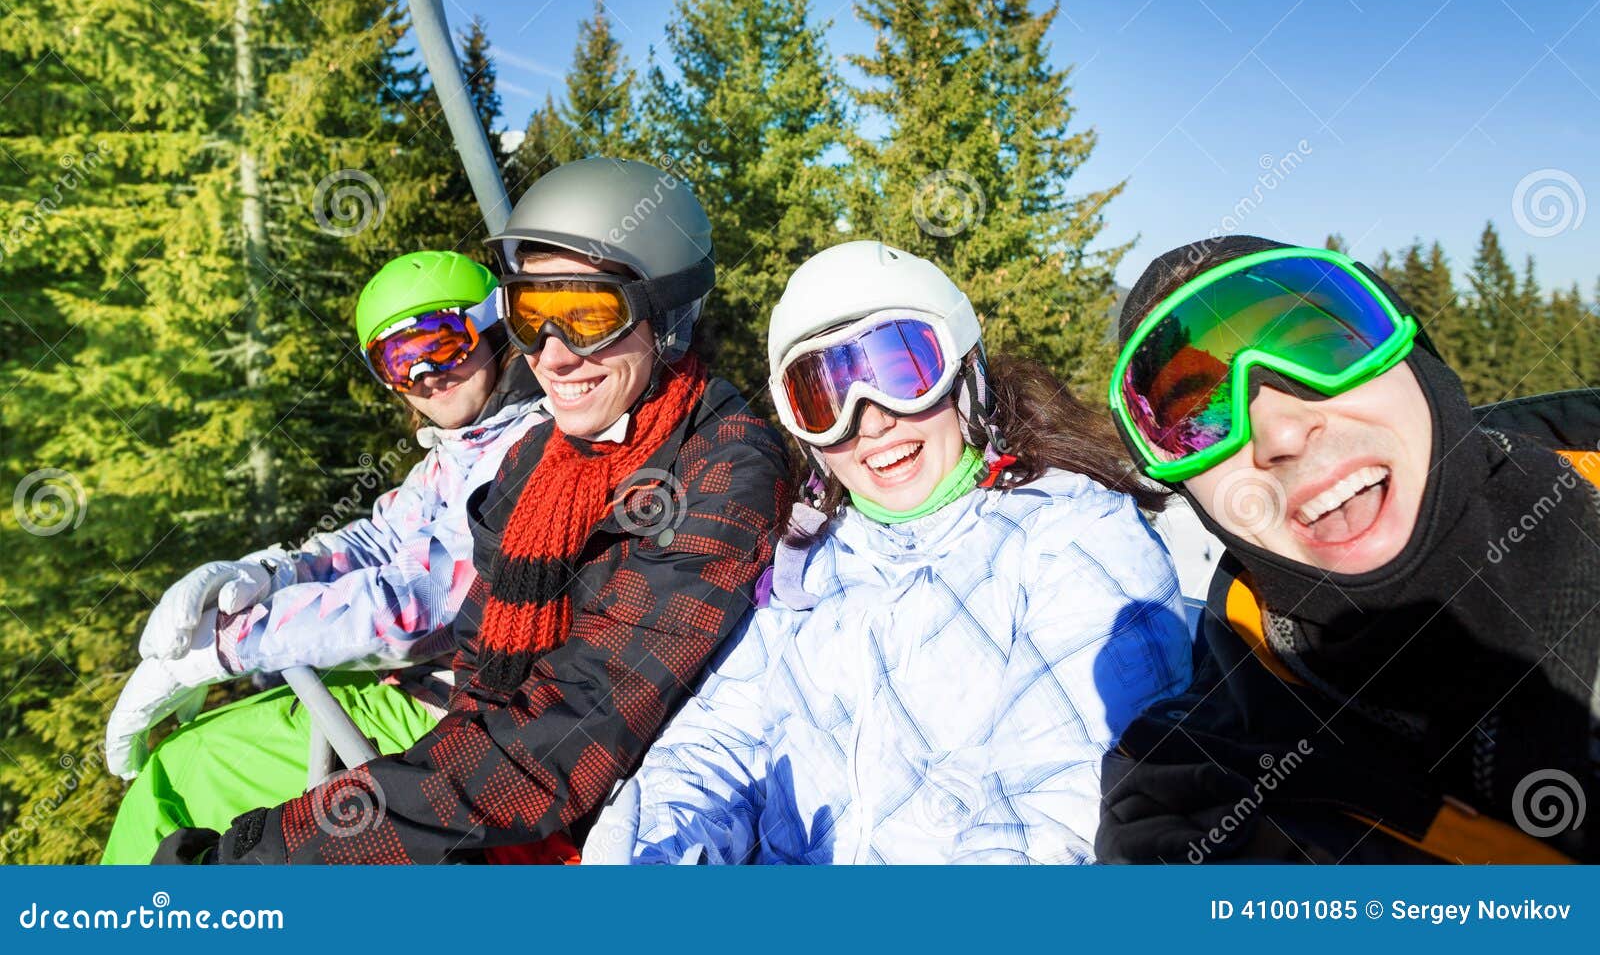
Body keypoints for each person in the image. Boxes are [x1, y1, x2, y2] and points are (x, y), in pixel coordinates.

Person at [155, 158, 789, 865]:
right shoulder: (535, 463)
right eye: (531, 316)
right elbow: (479, 686)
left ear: (666, 312)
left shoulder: (723, 469)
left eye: (588, 316)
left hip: (615, 832)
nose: (554, 356)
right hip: (494, 799)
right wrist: (275, 575)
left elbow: (564, 733)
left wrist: (278, 851)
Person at [586, 240, 1192, 864]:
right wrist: (669, 844)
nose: (870, 421)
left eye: (901, 373)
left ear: (966, 375)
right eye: (824, 397)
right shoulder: (813, 562)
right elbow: (718, 741)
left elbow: (1058, 814)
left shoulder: (1075, 538)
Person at [1097, 235, 1600, 864]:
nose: (1281, 431)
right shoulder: (1197, 799)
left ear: (1415, 358)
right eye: (1201, 413)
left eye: (1320, 345)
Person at [102, 250, 546, 863]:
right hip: (410, 691)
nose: (423, 373)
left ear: (495, 326)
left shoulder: (536, 448)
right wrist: (262, 575)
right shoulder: (456, 454)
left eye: (440, 341)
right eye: (396, 359)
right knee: (195, 746)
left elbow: (431, 603)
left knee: (175, 774)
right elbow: (375, 544)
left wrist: (237, 642)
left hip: (460, 715)